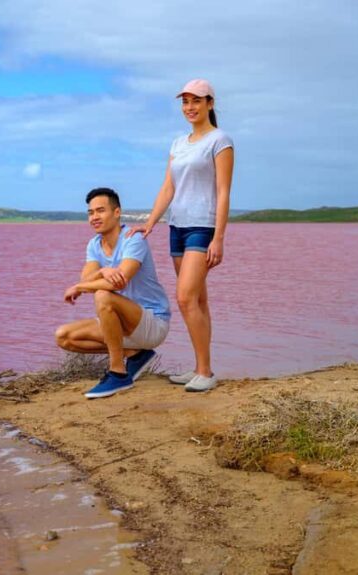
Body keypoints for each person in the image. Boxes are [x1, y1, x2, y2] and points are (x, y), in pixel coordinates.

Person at [128, 79, 234, 392]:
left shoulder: (220, 140)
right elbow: (168, 187)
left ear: (210, 104)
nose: (190, 107)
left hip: (203, 226)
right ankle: (202, 368)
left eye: (197, 101)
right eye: (185, 102)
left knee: (185, 297)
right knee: (198, 299)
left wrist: (219, 238)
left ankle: (206, 373)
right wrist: (150, 223)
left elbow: (224, 191)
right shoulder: (178, 144)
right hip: (177, 226)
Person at [56, 187, 171, 399]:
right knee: (64, 336)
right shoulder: (94, 245)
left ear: (116, 213)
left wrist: (80, 288)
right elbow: (86, 279)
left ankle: (118, 373)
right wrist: (101, 271)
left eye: (100, 211)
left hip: (152, 322)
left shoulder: (133, 239)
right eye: (90, 213)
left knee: (103, 295)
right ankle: (134, 355)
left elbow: (117, 283)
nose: (94, 217)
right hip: (122, 325)